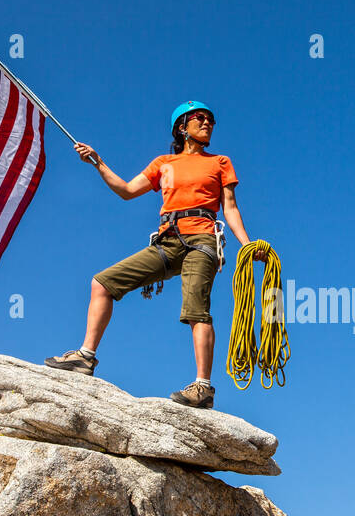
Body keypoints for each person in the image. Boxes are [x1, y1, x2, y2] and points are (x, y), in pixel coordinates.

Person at [44, 100, 266, 409]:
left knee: (196, 310)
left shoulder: (220, 162)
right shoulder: (163, 163)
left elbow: (229, 207)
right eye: (200, 118)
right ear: (181, 127)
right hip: (166, 240)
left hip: (202, 239)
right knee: (102, 283)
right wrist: (98, 162)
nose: (207, 123)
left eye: (210, 120)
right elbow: (126, 190)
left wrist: (246, 244)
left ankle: (202, 388)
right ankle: (85, 357)